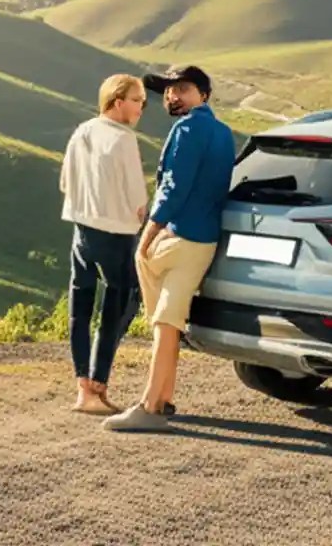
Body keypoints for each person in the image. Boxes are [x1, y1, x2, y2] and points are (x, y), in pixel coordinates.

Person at [103, 65, 235, 432]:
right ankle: (162, 398)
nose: (174, 96)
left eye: (184, 89)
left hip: (181, 236)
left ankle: (150, 406)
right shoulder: (224, 133)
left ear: (204, 95)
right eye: (170, 90)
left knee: (163, 320)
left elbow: (174, 186)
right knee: (169, 324)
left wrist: (149, 233)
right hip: (205, 237)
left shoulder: (188, 129)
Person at [59, 74, 148, 413]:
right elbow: (138, 200)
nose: (142, 107)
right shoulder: (125, 139)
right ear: (117, 101)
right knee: (117, 308)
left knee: (80, 305)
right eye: (137, 100)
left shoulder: (82, 130)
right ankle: (98, 383)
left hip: (82, 229)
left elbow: (66, 181)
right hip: (117, 233)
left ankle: (84, 387)